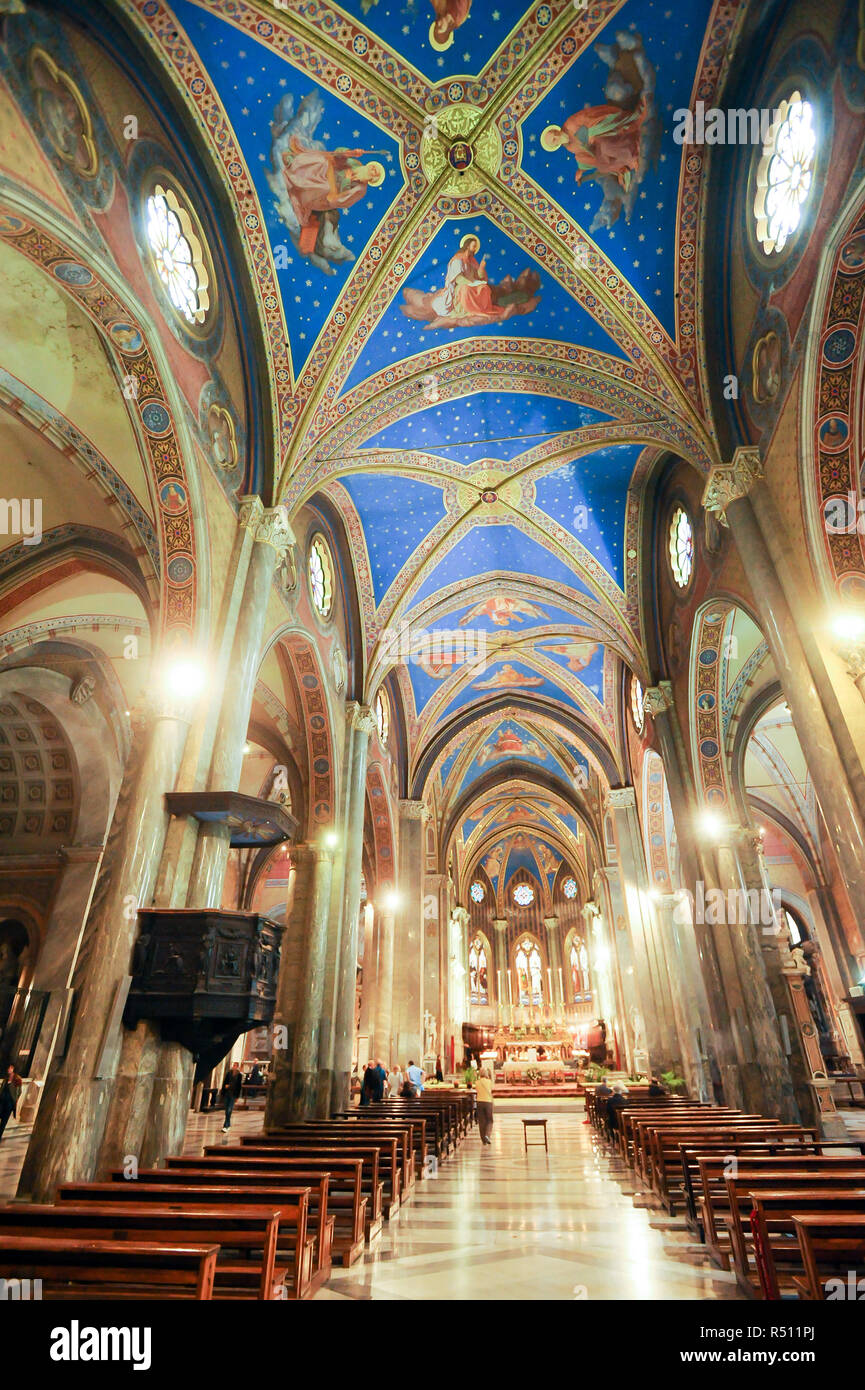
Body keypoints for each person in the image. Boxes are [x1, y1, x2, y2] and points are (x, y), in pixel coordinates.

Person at [0, 1064, 22, 1142]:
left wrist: (14, 1100)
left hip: (9, 1103)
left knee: (4, 1121)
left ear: (13, 1069)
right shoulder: (6, 1079)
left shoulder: (17, 1079)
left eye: (10, 1068)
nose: (8, 1069)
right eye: (8, 1068)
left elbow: (19, 1092)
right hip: (2, 1102)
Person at [220, 1062, 244, 1133]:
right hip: (227, 1093)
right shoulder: (228, 1073)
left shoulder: (239, 1075)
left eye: (235, 1066)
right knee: (226, 1110)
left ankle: (226, 1126)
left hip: (233, 1094)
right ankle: (228, 1124)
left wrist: (237, 1096)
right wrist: (224, 1089)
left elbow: (239, 1086)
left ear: (237, 1067)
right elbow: (224, 1082)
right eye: (233, 1065)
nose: (234, 1067)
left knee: (229, 1110)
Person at [476, 1065, 494, 1146]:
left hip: (479, 1101)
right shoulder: (489, 1082)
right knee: (489, 1120)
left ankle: (483, 1139)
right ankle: (487, 1135)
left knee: (482, 1121)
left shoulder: (477, 1082)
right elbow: (491, 1090)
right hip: (488, 1101)